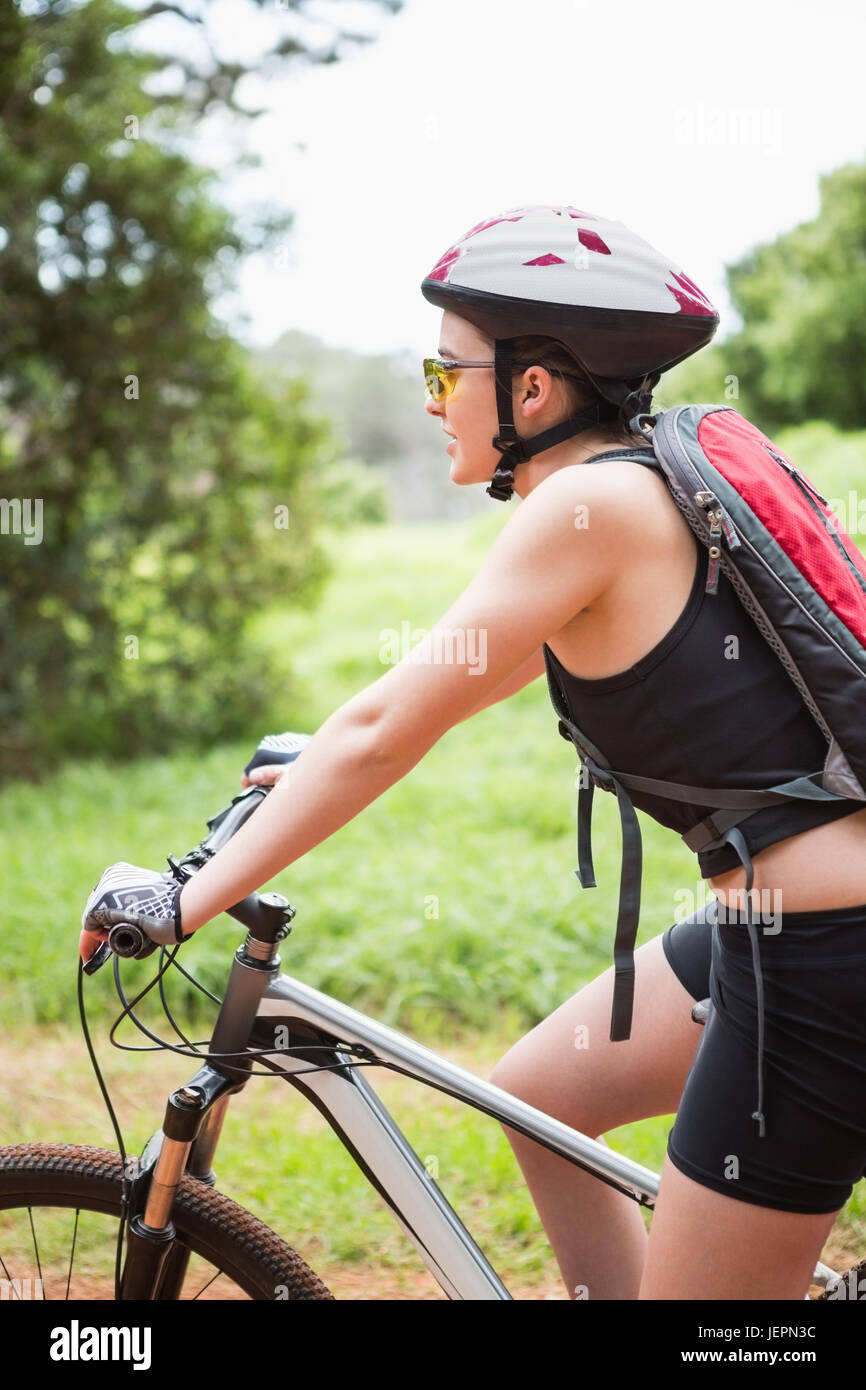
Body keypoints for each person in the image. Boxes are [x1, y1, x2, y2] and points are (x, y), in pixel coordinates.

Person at [81, 204, 866, 1301]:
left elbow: (384, 728)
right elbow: (445, 688)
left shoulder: (587, 508)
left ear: (532, 389)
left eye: (443, 372)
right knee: (542, 1092)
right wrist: (311, 767)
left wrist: (185, 898)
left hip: (824, 963)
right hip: (774, 929)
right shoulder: (641, 488)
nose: (435, 399)